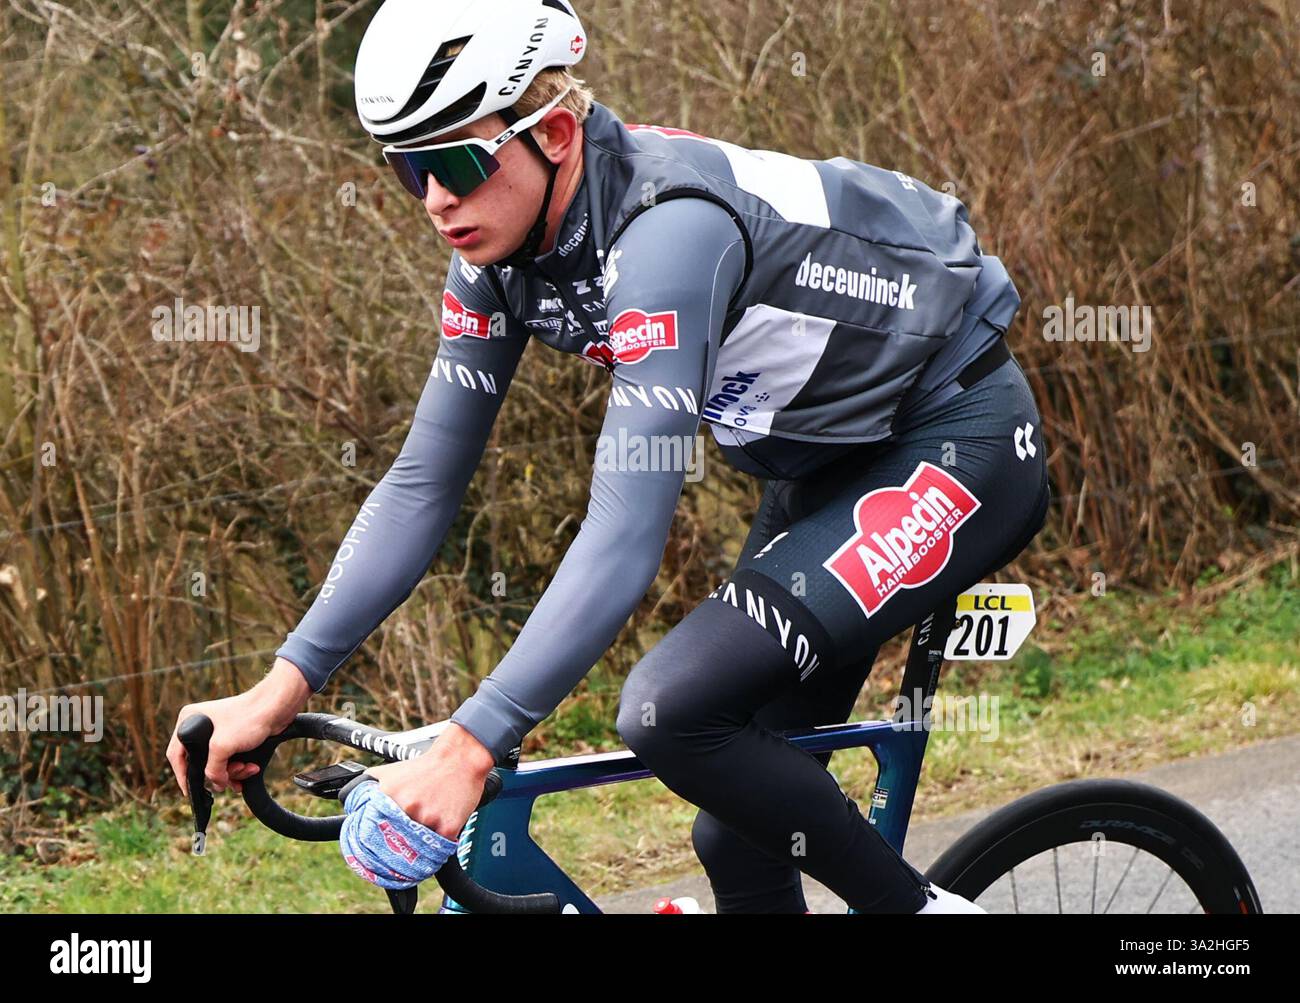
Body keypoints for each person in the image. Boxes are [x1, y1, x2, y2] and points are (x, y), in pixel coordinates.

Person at [167, 0, 1050, 914]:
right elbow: (423, 484)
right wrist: (283, 685)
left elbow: (626, 530)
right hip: (818, 467)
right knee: (740, 827)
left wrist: (474, 744)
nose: (434, 200)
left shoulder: (667, 235)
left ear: (553, 131)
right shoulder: (497, 254)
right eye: (406, 169)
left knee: (669, 708)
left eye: (457, 163)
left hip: (955, 438)